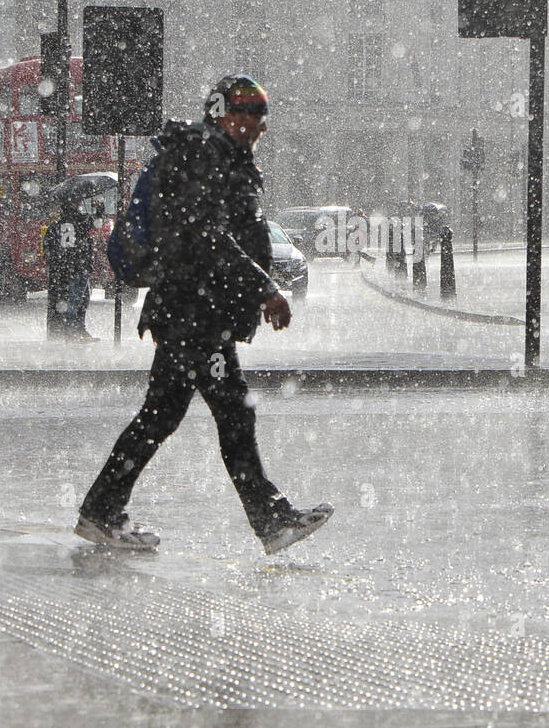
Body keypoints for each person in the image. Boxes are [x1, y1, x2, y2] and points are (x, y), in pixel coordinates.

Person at [76, 74, 333, 554]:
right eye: (248, 110)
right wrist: (265, 289)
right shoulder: (204, 157)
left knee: (164, 416)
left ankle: (102, 510)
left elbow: (213, 235)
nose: (258, 121)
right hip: (194, 314)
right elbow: (208, 238)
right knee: (230, 414)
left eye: (263, 110)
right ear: (222, 111)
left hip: (193, 312)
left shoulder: (217, 157)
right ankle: (270, 519)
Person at [43, 200, 95, 341]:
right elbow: (91, 226)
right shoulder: (80, 223)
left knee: (77, 298)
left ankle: (74, 329)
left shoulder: (55, 226)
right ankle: (74, 330)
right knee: (79, 299)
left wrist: (57, 263)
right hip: (79, 266)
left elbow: (47, 247)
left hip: (65, 268)